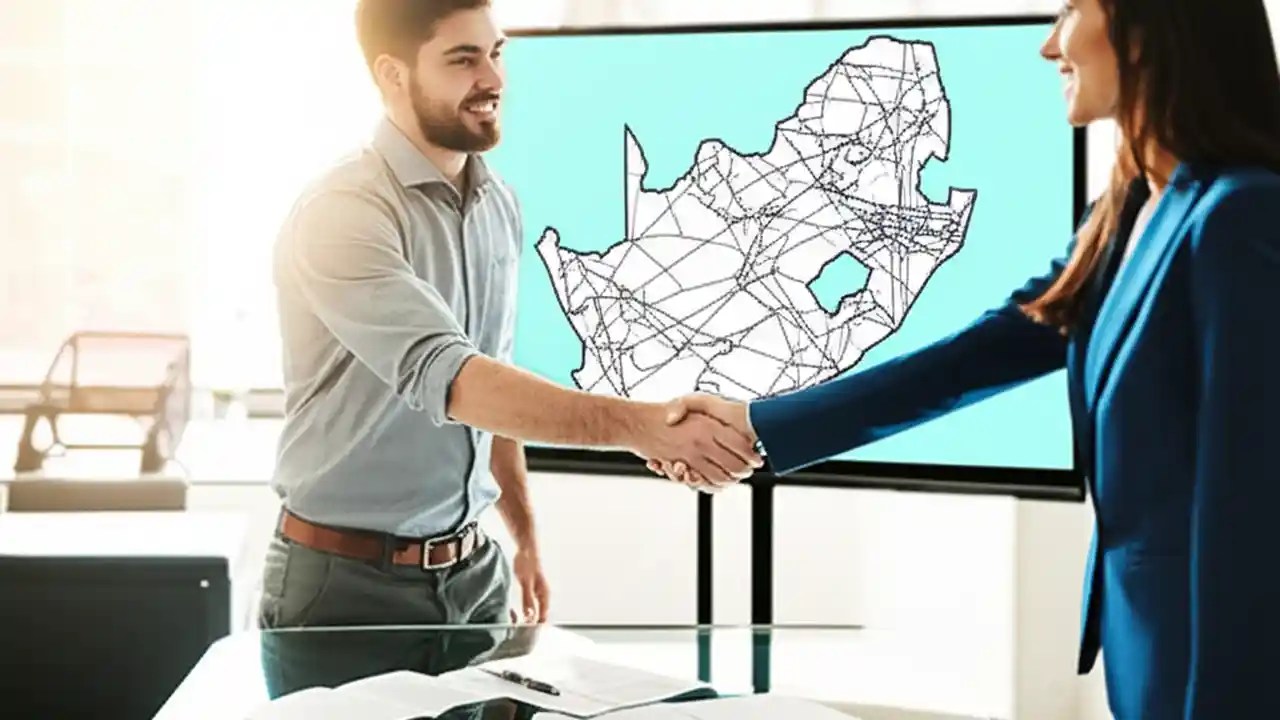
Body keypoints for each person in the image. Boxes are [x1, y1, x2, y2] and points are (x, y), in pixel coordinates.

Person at [652, 0, 1280, 717]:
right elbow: (977, 355)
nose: (1051, 47)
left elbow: (1252, 508)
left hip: (1214, 664)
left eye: (1072, 9)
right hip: (1147, 647)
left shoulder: (1242, 216)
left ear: (1151, 28)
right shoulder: (1134, 204)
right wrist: (760, 423)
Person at [262, 0, 760, 635]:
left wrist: (523, 536)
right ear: (393, 75)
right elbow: (458, 380)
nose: (493, 80)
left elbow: (493, 385)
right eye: (463, 59)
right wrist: (645, 428)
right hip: (343, 586)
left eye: (496, 53)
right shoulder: (343, 212)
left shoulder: (498, 203)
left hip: (474, 574)